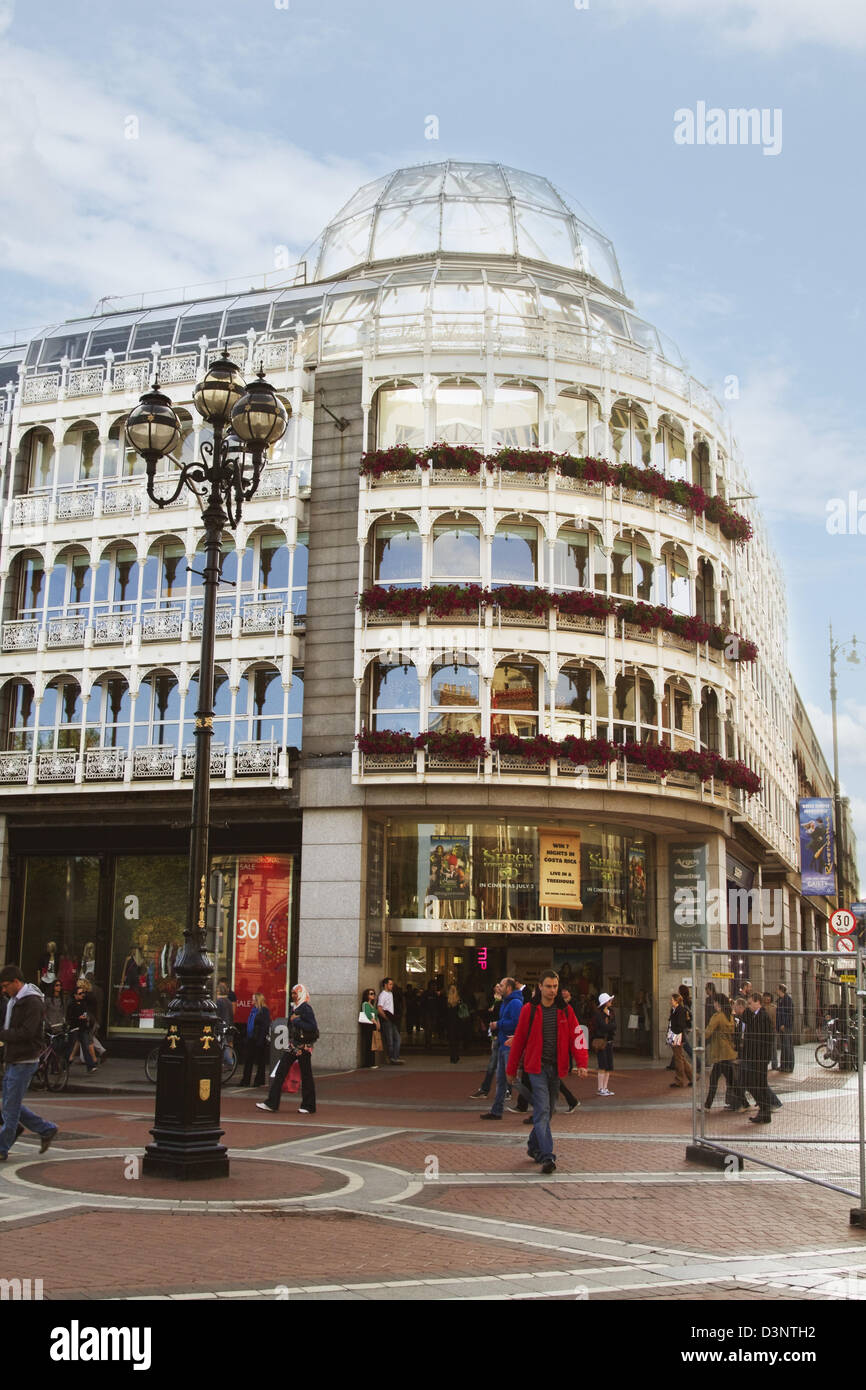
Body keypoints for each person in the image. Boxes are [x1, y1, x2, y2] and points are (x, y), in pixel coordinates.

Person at [505, 971, 588, 1174]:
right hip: (536, 1069)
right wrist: (511, 1069)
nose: (552, 990)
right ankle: (547, 1156)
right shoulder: (529, 1010)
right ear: (540, 987)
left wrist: (582, 1062)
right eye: (549, 986)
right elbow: (519, 1041)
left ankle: (533, 1146)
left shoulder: (565, 1011)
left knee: (549, 1111)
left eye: (555, 986)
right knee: (542, 1110)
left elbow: (576, 1036)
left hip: (556, 1069)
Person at [0, 964, 58, 1160]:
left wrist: (3, 1035)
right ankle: (46, 1129)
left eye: (6, 985)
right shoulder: (14, 1000)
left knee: (10, 1107)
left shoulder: (31, 1002)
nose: (4, 989)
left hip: (25, 1059)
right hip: (14, 1058)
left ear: (16, 982)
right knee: (9, 1104)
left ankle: (1, 1148)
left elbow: (27, 1032)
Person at [256, 984, 318, 1115]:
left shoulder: (305, 1008)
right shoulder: (295, 1007)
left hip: (303, 1047)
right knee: (281, 1072)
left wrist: (296, 1021)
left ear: (301, 994)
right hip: (294, 1045)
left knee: (305, 1076)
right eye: (292, 993)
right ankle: (272, 1103)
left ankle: (309, 1105)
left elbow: (312, 1026)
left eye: (296, 993)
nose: (293, 995)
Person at [480, 978, 525, 1120]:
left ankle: (537, 1102)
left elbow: (516, 1022)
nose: (499, 987)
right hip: (503, 1043)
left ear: (509, 988)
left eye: (502, 985)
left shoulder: (515, 1003)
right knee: (501, 1079)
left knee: (511, 1078)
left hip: (509, 1044)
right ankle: (496, 1110)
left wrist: (498, 1024)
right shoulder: (506, 1002)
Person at [741, 992, 775, 1123]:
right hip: (753, 1056)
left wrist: (764, 1058)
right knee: (756, 1084)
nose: (748, 1006)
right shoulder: (753, 1015)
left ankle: (765, 1110)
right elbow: (744, 1018)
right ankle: (764, 1110)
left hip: (759, 1058)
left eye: (750, 1003)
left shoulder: (763, 1016)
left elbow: (765, 1040)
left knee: (757, 1084)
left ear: (757, 1002)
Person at [703, 994, 737, 1109]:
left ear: (717, 1003)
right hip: (728, 1051)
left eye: (714, 1002)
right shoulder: (729, 1016)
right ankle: (743, 1103)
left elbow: (708, 1032)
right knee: (731, 1081)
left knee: (714, 1081)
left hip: (720, 1053)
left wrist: (698, 1032)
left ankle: (707, 1106)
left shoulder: (717, 1016)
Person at [470, 983, 502, 1098]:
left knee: (496, 1065)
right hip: (496, 1035)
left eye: (500, 986)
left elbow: (499, 1017)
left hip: (500, 1036)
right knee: (496, 1065)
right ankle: (490, 1089)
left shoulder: (503, 1001)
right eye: (497, 987)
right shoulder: (495, 1000)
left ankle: (487, 1089)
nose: (498, 988)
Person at [240, 991, 271, 1087]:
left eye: (253, 999)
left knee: (260, 1061)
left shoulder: (264, 1011)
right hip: (251, 1037)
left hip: (258, 1039)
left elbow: (265, 1026)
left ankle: (259, 1080)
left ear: (257, 1000)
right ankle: (245, 1080)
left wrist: (260, 1040)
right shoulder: (254, 1010)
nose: (251, 1000)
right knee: (248, 1060)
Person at [66, 982, 98, 1073]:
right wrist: (77, 1018)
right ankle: (65, 1065)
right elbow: (69, 1017)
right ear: (75, 995)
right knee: (71, 1047)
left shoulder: (83, 1003)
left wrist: (85, 1021)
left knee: (85, 1047)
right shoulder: (71, 1005)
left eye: (83, 993)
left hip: (83, 1028)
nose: (82, 995)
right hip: (75, 1028)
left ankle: (90, 1066)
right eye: (80, 993)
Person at [593, 992, 616, 1096]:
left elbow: (613, 1025)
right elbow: (604, 1027)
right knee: (602, 1065)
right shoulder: (599, 1014)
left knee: (609, 1066)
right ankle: (600, 1088)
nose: (611, 1002)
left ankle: (605, 1087)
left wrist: (609, 1026)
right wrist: (610, 1026)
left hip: (609, 1041)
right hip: (601, 1041)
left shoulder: (611, 1012)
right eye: (609, 1000)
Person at [377, 977, 404, 1065]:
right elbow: (379, 1008)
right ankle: (392, 1058)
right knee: (390, 1040)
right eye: (390, 984)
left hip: (391, 1020)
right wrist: (386, 1018)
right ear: (385, 985)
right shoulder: (383, 995)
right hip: (387, 1020)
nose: (392, 986)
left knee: (397, 1039)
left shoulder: (391, 994)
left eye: (392, 984)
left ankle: (395, 1057)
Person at [668, 993, 692, 1087]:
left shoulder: (680, 1010)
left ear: (676, 1001)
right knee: (680, 1057)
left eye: (672, 1000)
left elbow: (681, 1025)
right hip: (674, 1034)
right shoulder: (674, 1010)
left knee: (678, 1059)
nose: (671, 1001)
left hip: (677, 1035)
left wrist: (674, 1034)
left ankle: (680, 1080)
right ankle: (692, 1076)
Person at [215, 981, 235, 1074]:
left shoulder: (219, 1002)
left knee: (222, 1045)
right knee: (226, 1045)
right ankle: (229, 1062)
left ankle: (229, 1063)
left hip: (221, 1027)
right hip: (228, 1025)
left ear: (218, 991)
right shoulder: (229, 1002)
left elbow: (217, 1016)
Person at [359, 988, 381, 1068]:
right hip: (368, 1026)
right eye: (371, 994)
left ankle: (371, 1062)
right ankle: (369, 1063)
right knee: (369, 1044)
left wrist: (378, 1023)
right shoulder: (365, 1004)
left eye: (374, 994)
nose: (373, 995)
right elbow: (367, 1014)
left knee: (373, 1044)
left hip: (373, 1026)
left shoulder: (372, 1005)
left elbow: (376, 1015)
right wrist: (375, 1022)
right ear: (367, 995)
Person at [776, 983, 794, 1072]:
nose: (776, 991)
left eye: (777, 989)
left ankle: (789, 1066)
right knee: (783, 1047)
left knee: (787, 1046)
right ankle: (783, 1065)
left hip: (786, 1027)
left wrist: (784, 1024)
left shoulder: (787, 1000)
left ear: (780, 990)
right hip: (781, 1026)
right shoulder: (780, 1000)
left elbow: (789, 1013)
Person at [445, 983, 463, 1064]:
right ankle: (456, 1055)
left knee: (451, 1040)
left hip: (450, 1023)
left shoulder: (447, 1001)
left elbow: (444, 1014)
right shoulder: (459, 1001)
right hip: (457, 1023)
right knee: (456, 1040)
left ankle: (452, 1056)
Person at [762, 992, 778, 1070]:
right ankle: (765, 1063)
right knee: (764, 1047)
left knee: (773, 1047)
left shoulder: (774, 1007)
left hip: (772, 1030)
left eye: (768, 997)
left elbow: (776, 1019)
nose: (767, 998)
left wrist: (775, 1027)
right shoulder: (761, 1007)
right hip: (763, 1030)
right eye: (765, 997)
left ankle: (774, 1064)